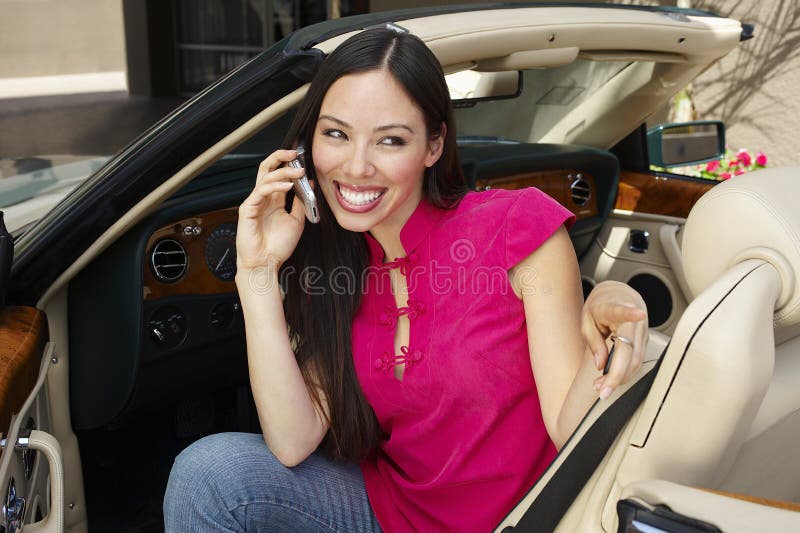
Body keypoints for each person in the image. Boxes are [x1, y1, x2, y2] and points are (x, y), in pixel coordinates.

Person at [163, 28, 648, 532]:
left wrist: (613, 312)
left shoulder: (517, 229)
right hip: (389, 515)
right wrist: (257, 272)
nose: (355, 167)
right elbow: (292, 439)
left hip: (517, 522)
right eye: (336, 134)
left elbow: (572, 430)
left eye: (390, 140)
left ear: (434, 145)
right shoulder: (333, 267)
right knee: (209, 473)